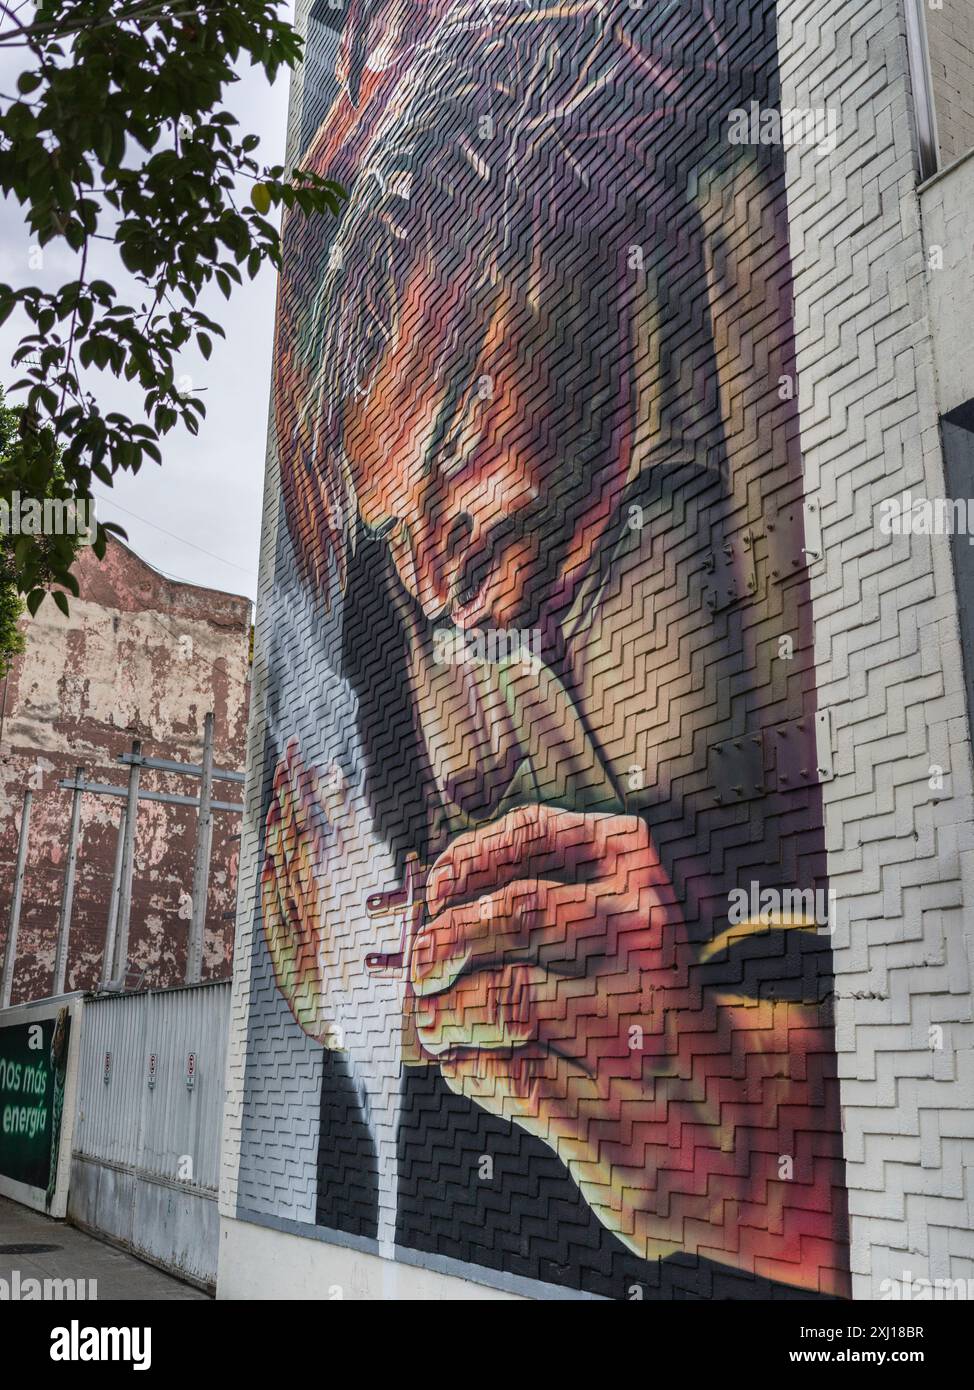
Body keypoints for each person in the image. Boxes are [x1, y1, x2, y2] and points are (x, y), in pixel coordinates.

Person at [262, 0, 850, 1296]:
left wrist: (773, 1182)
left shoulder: (771, 307)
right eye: (394, 523)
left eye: (459, 432)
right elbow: (324, 852)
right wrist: (344, 974)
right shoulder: (400, 601)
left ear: (565, 238)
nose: (437, 562)